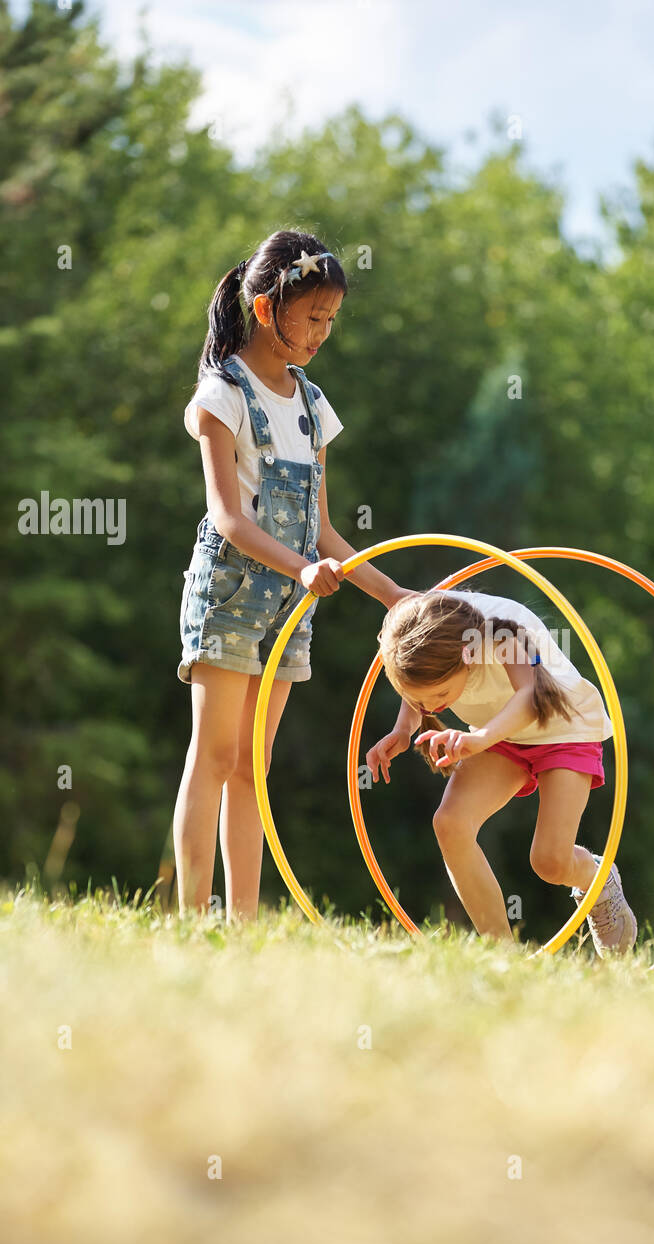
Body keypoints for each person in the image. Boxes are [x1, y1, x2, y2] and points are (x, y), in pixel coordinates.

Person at [173, 228, 413, 921]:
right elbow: (228, 518)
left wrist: (391, 594)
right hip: (231, 593)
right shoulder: (222, 395)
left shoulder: (312, 405)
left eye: (330, 320)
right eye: (311, 318)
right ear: (264, 309)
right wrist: (304, 569)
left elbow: (323, 528)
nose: (320, 334)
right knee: (214, 755)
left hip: (289, 604)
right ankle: (192, 916)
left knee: (254, 764)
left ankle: (241, 922)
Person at [364, 586, 637, 956]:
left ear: (465, 658)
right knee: (450, 823)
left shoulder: (500, 637)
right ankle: (502, 954)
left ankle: (598, 879)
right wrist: (403, 729)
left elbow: (531, 698)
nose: (432, 707)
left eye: (440, 695)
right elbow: (418, 683)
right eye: (421, 701)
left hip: (563, 728)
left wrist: (480, 739)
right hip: (501, 735)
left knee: (550, 863)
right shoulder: (430, 649)